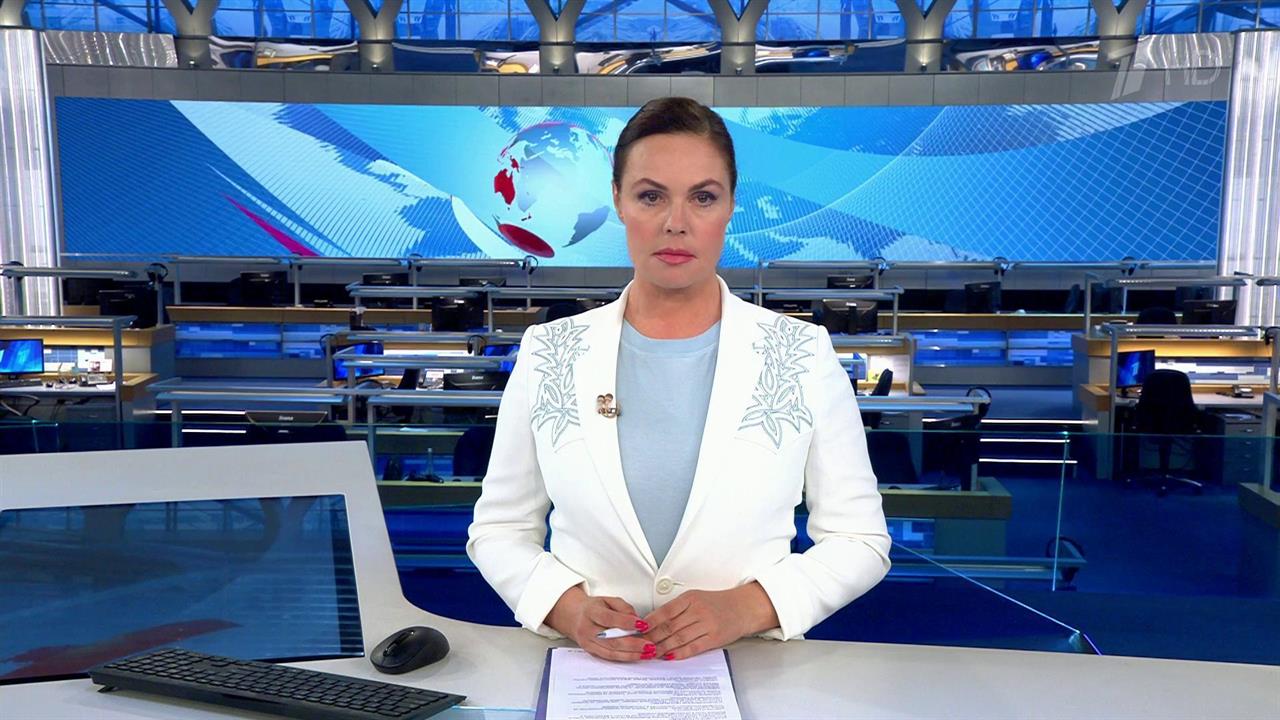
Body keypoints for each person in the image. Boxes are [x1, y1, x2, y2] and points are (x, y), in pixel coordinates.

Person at [466, 97, 890, 663]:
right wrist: (564, 608)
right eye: (651, 196)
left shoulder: (802, 353)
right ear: (618, 200)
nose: (676, 222)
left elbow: (860, 539)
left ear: (731, 206)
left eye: (703, 197)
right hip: (588, 671)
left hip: (752, 668)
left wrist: (749, 607)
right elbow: (498, 529)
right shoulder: (550, 352)